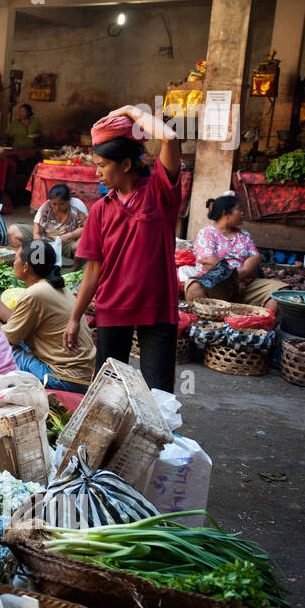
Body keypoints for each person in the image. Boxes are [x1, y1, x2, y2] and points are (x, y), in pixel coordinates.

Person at [65, 105, 182, 393]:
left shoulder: (160, 193)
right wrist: (75, 317)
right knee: (107, 392)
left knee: (159, 395)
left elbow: (170, 138)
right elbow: (93, 269)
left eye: (102, 165)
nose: (97, 173)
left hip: (157, 307)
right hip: (112, 307)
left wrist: (130, 111)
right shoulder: (100, 211)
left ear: (126, 165)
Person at [0, 240, 94, 392]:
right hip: (82, 377)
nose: (13, 263)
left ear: (26, 267)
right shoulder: (55, 286)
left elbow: (6, 337)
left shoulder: (35, 293)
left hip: (61, 378)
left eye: (16, 260)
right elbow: (16, 322)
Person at [184, 193, 286, 312]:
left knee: (278, 292)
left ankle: (260, 327)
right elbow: (208, 260)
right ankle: (207, 323)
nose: (242, 213)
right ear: (225, 214)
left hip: (245, 284)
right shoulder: (207, 233)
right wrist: (233, 276)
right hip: (218, 283)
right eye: (239, 209)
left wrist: (242, 273)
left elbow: (255, 257)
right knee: (194, 288)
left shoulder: (244, 235)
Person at [8, 183, 87, 267]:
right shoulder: (45, 208)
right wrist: (39, 250)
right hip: (47, 239)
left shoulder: (77, 206)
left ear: (69, 200)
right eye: (54, 204)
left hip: (68, 242)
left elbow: (87, 228)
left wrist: (68, 236)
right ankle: (29, 263)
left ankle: (73, 271)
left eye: (62, 204)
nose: (57, 208)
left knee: (85, 243)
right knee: (13, 230)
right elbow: (37, 232)